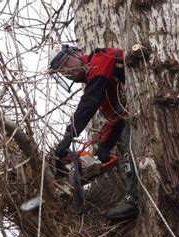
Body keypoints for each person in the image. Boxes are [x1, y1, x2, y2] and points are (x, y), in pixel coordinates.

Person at [49, 44, 139, 220]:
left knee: (131, 141)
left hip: (147, 100)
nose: (66, 71)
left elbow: (90, 101)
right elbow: (116, 118)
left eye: (67, 63)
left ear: (78, 54)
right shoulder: (100, 87)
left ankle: (133, 200)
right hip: (132, 112)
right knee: (123, 135)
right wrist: (102, 152)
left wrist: (69, 135)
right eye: (61, 71)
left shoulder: (100, 58)